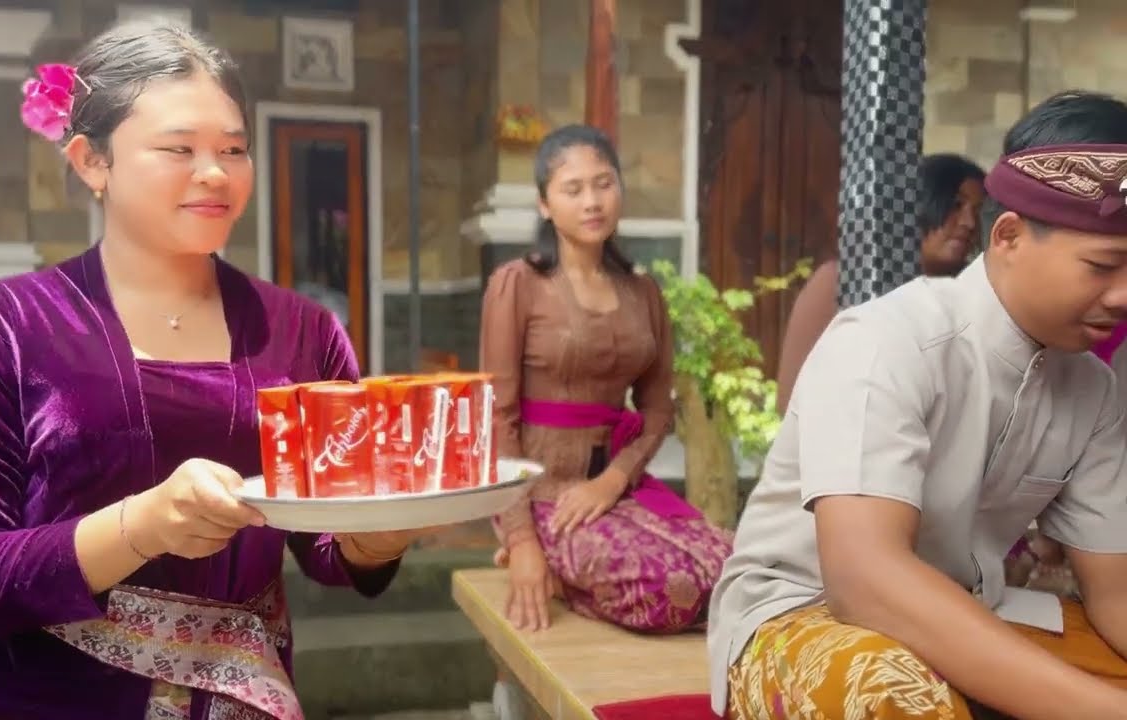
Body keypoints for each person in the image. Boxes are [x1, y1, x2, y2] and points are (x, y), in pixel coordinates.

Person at [0, 21, 426, 720]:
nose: (215, 172)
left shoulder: (304, 331)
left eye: (234, 150)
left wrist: (383, 531)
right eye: (179, 148)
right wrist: (143, 525)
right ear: (93, 161)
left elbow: (329, 551)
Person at [708, 89, 1127, 720]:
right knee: (893, 695)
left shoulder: (1093, 390)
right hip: (809, 613)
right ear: (1009, 236)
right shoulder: (888, 340)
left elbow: (1115, 592)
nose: (1124, 296)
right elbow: (864, 579)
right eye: (1104, 265)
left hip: (976, 608)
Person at [479, 124, 734, 638]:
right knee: (673, 589)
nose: (592, 201)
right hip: (541, 496)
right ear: (545, 205)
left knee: (740, 567)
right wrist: (524, 542)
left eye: (604, 183)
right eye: (573, 189)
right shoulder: (518, 285)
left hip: (618, 488)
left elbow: (658, 409)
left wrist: (614, 480)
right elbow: (496, 417)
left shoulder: (644, 292)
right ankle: (556, 571)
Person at [775, 153, 985, 414]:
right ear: (918, 205)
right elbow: (791, 400)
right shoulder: (845, 280)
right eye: (955, 205)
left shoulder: (973, 290)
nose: (969, 222)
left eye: (978, 211)